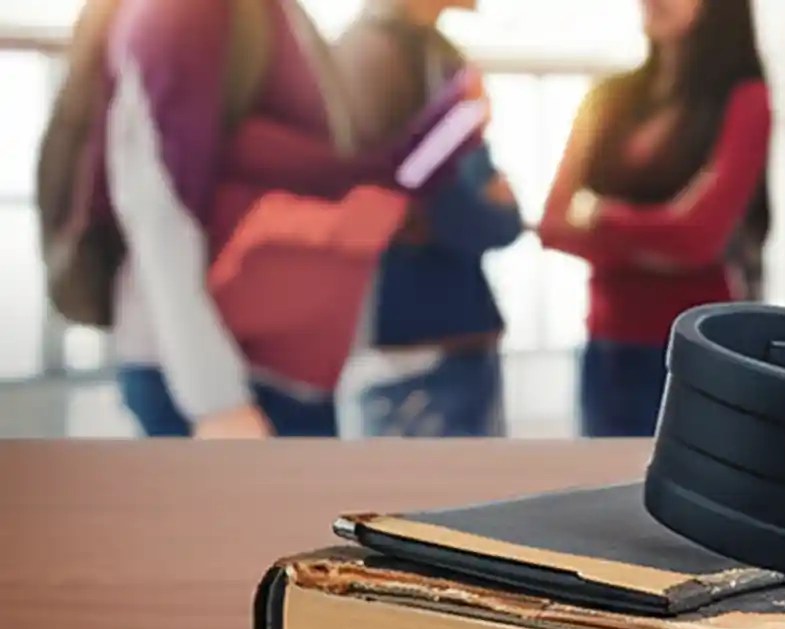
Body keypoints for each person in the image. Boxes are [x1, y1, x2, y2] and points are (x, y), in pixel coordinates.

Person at [50, 0, 422, 437]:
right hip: (216, 381)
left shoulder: (275, 14)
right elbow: (156, 206)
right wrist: (216, 400)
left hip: (276, 369)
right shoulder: (181, 13)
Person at [538, 0, 771, 438]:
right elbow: (552, 226)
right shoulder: (607, 96)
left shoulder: (746, 99)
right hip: (605, 346)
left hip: (694, 353)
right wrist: (658, 230)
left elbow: (698, 238)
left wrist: (601, 216)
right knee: (600, 497)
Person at [331, 0, 524, 438]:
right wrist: (498, 215)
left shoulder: (432, 51)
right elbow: (428, 204)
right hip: (415, 345)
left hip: (446, 331)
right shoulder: (376, 55)